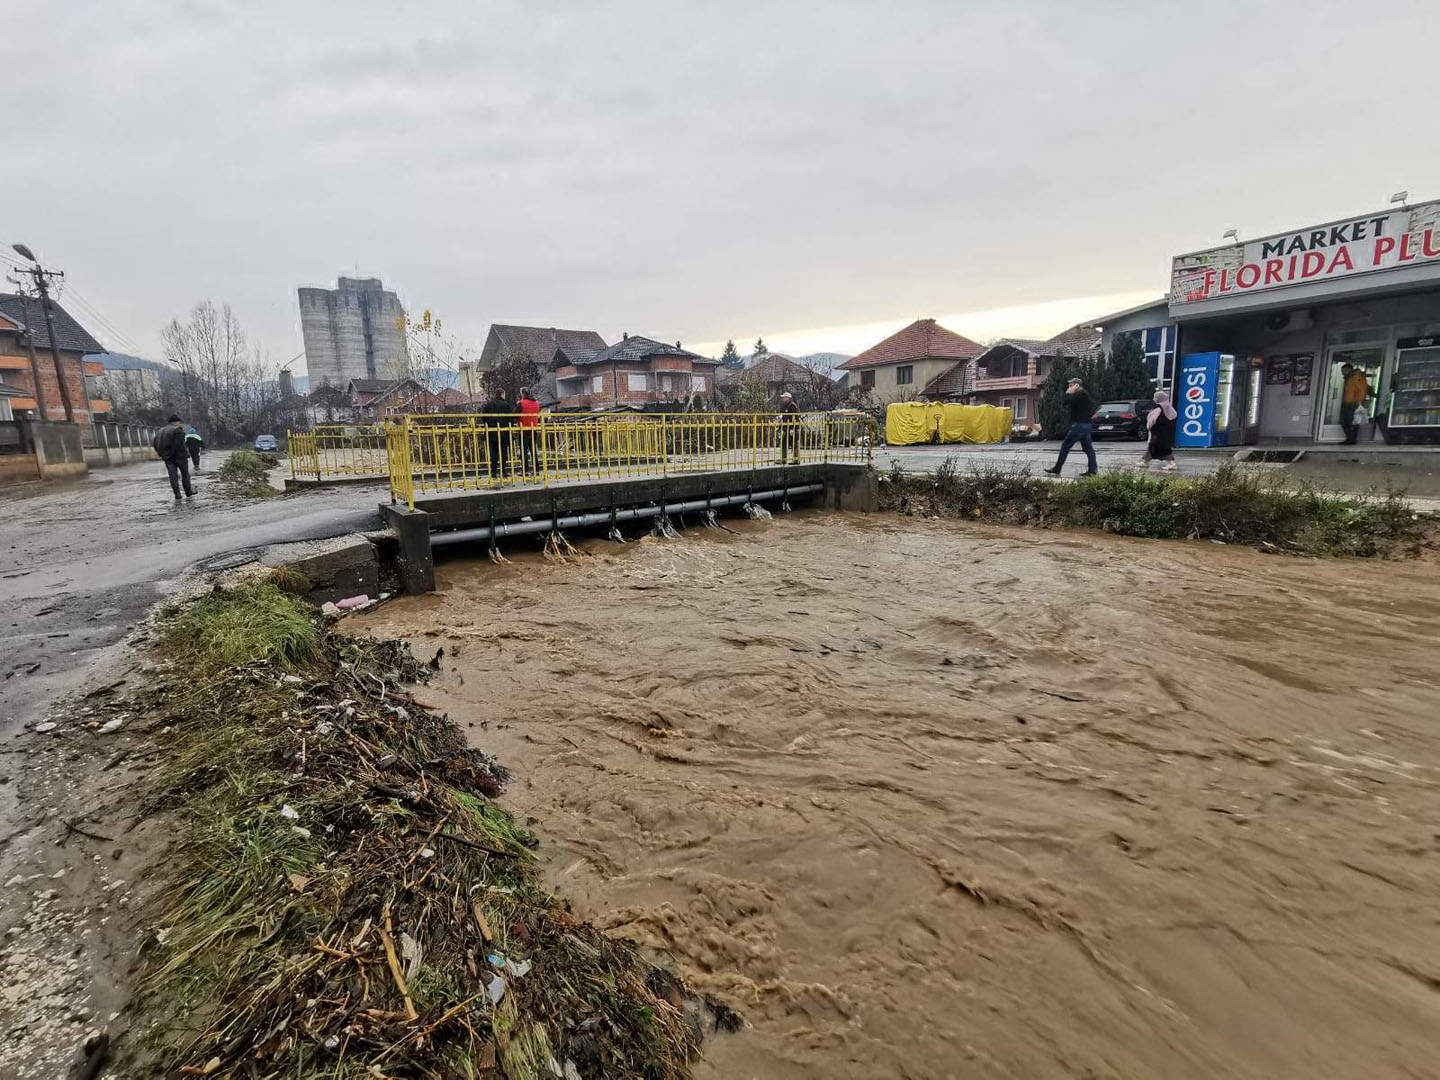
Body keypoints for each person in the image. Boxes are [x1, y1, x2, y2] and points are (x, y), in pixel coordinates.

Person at [1042, 378, 1098, 477]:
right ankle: (1092, 470)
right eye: (1069, 386)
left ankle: (1057, 469)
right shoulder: (1084, 395)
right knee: (1088, 449)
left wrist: (1068, 393)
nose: (1069, 387)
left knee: (1065, 446)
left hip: (1079, 426)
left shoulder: (1080, 394)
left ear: (1077, 385)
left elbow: (1066, 402)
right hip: (1086, 425)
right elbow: (1092, 408)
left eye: (1071, 385)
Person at [152, 414, 195, 500]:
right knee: (185, 474)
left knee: (173, 476)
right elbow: (179, 444)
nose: (179, 424)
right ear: (175, 422)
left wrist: (162, 454)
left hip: (167, 458)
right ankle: (188, 492)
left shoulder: (160, 431)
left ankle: (177, 494)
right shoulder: (177, 430)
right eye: (179, 422)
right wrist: (184, 454)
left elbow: (155, 444)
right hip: (179, 457)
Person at [1139, 390, 1178, 472]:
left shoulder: (1158, 408)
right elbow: (1174, 416)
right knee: (1155, 447)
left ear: (1159, 399)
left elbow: (1151, 420)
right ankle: (1145, 462)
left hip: (1158, 432)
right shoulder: (1169, 407)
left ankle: (1171, 463)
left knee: (1159, 447)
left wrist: (1149, 427)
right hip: (1167, 432)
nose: (1154, 399)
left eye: (1155, 398)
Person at [481, 388, 513, 479]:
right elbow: (510, 418)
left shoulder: (489, 404)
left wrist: (488, 425)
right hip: (504, 432)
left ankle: (493, 472)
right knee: (503, 453)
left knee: (493, 453)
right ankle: (503, 471)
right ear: (502, 394)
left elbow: (484, 417)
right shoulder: (506, 405)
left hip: (492, 432)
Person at [1340, 363, 1372, 445]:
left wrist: (1359, 402)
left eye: (1343, 370)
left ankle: (1351, 439)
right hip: (1347, 402)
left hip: (1353, 403)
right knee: (1345, 422)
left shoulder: (1356, 377)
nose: (1342, 372)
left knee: (1351, 422)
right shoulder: (1348, 378)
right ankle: (1349, 439)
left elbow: (1362, 390)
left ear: (1348, 370)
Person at [517, 386, 541, 474]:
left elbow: (515, 414)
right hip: (533, 429)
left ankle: (525, 470)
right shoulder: (537, 403)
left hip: (524, 429)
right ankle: (536, 470)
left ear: (522, 393)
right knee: (533, 450)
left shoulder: (521, 403)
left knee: (524, 451)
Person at [777, 391, 800, 464]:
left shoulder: (792, 406)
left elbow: (795, 418)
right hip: (786, 429)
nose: (782, 399)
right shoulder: (785, 406)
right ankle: (783, 460)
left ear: (788, 398)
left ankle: (796, 460)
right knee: (784, 444)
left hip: (791, 429)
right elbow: (783, 418)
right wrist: (780, 427)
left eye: (784, 397)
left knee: (794, 444)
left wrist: (793, 428)